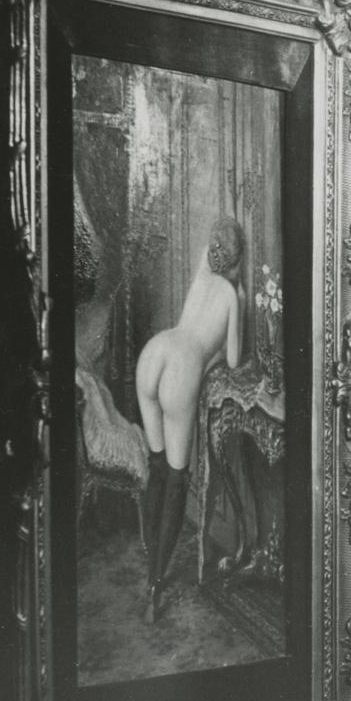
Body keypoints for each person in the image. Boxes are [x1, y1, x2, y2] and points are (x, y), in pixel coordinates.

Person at [134, 216, 245, 621]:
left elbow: (210, 254)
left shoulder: (202, 276)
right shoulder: (232, 295)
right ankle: (154, 583)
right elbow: (233, 359)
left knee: (157, 464)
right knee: (177, 479)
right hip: (183, 368)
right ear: (238, 260)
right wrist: (239, 296)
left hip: (155, 352)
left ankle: (151, 555)